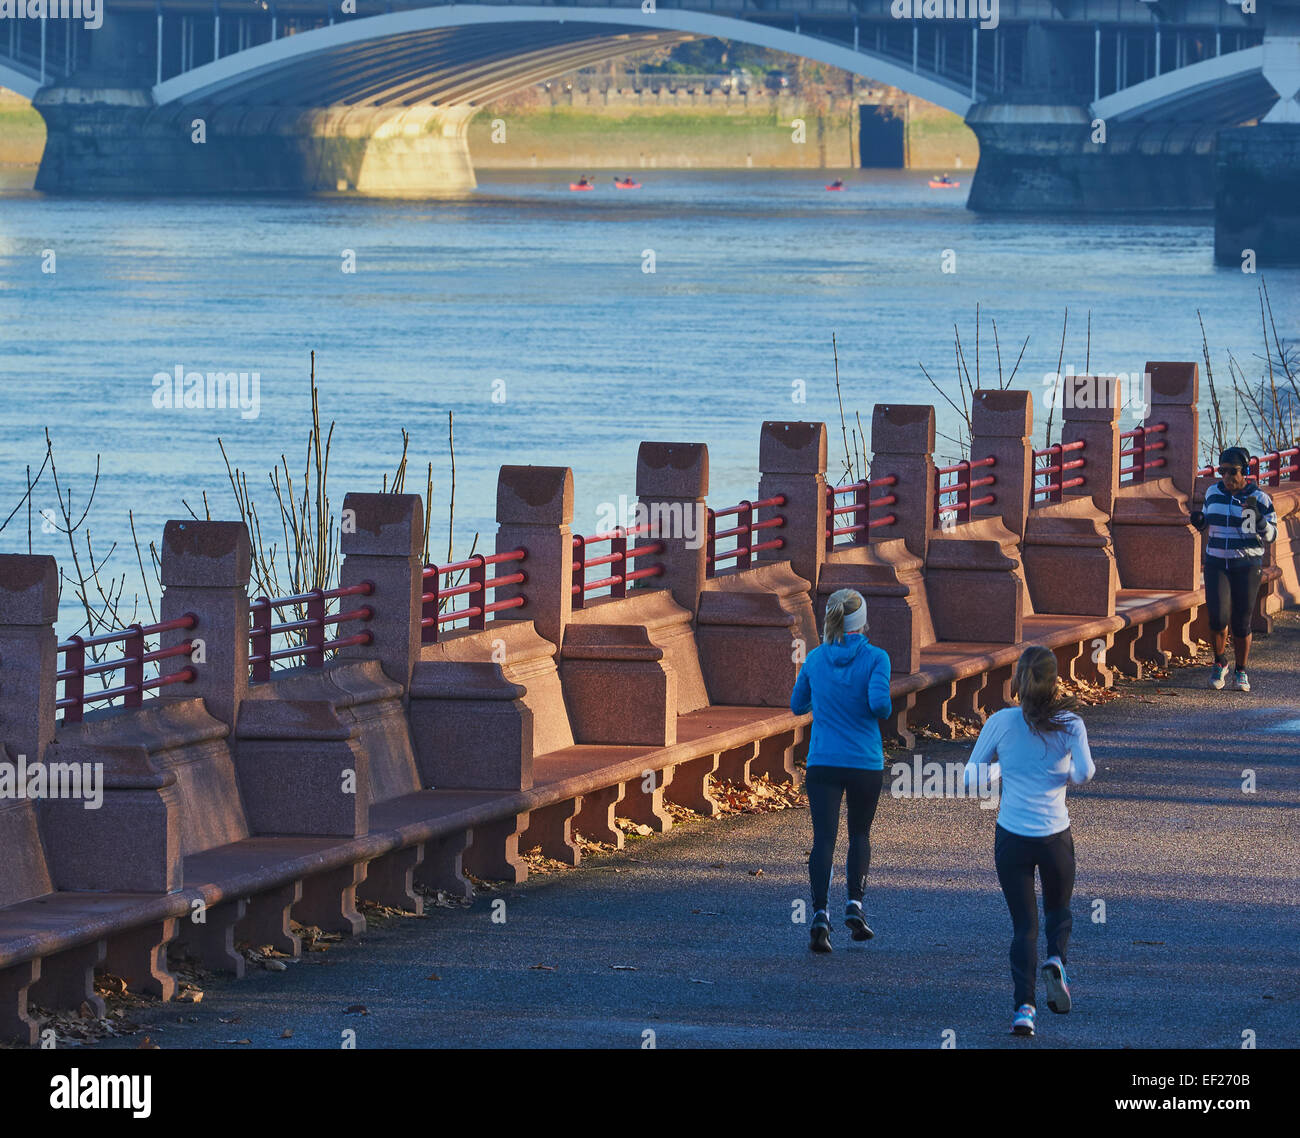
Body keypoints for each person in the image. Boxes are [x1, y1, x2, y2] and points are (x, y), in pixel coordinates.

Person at [963, 647, 1095, 1038]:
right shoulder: (1071, 724)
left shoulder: (1001, 722)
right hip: (1055, 836)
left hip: (1012, 839)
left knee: (1024, 927)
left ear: (1017, 680)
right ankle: (1056, 959)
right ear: (1055, 681)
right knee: (1059, 910)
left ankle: (1024, 1010)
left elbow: (971, 779)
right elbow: (1085, 773)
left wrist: (1005, 767)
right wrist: (1063, 770)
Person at [789, 588, 893, 952]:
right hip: (864, 761)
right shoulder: (877, 658)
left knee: (823, 839)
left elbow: (797, 704)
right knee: (859, 834)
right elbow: (880, 706)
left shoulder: (815, 659)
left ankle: (819, 914)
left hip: (823, 762)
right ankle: (855, 904)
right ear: (862, 622)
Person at [1189, 446, 1278, 692]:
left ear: (1245, 471)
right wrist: (1200, 521)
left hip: (1246, 564)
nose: (1227, 478)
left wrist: (1260, 522)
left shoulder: (1258, 498)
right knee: (1217, 618)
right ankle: (1220, 662)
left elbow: (1272, 534)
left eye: (1233, 472)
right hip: (1217, 562)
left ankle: (1241, 670)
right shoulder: (1212, 493)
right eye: (1222, 472)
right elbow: (1207, 520)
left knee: (1241, 623)